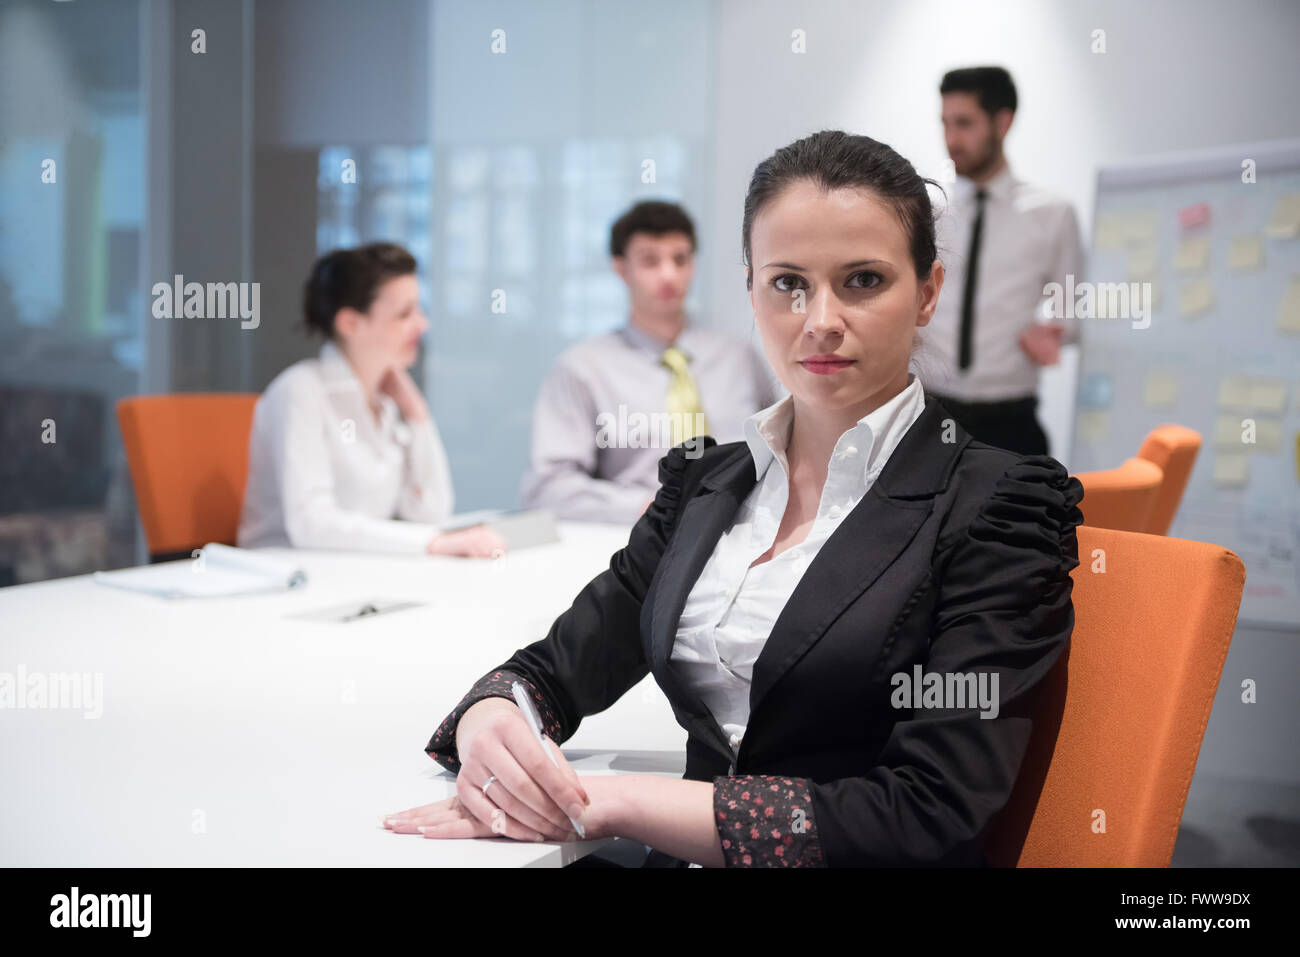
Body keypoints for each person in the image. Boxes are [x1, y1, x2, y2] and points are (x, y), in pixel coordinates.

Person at [384, 131, 1084, 867]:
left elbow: (928, 809)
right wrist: (493, 719)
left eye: (863, 280)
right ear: (751, 289)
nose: (820, 319)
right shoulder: (706, 486)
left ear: (928, 292)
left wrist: (612, 803)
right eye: (788, 283)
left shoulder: (998, 507)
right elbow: (554, 669)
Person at [519, 200, 780, 524]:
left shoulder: (739, 358)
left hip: (741, 530)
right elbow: (548, 489)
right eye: (650, 261)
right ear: (621, 269)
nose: (669, 274)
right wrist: (648, 508)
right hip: (638, 536)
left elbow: (781, 450)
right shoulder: (582, 369)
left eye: (680, 259)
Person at [237, 242, 505, 557]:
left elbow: (431, 512)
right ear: (350, 323)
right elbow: (312, 523)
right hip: (287, 572)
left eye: (419, 311)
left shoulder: (389, 403)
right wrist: (430, 543)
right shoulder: (300, 391)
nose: (422, 324)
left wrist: (418, 415)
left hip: (359, 569)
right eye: (404, 314)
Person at [922, 66, 1085, 456]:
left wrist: (1053, 332)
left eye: (964, 123)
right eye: (945, 123)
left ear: (1003, 122)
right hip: (927, 416)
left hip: (1010, 423)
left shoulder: (1052, 214)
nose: (951, 139)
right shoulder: (926, 210)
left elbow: (1072, 314)